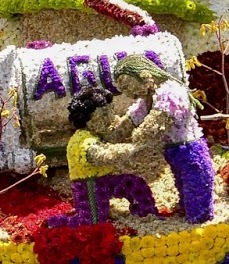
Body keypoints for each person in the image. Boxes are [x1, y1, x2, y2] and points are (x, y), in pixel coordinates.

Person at [113, 55, 216, 223]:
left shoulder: (171, 92)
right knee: (183, 187)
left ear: (145, 75)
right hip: (174, 153)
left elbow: (152, 126)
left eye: (128, 86)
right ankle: (187, 212)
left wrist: (127, 150)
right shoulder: (148, 100)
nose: (128, 94)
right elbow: (129, 121)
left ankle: (199, 222)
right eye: (123, 89)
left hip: (190, 152)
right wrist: (107, 132)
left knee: (196, 190)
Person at [52, 85, 158, 226]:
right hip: (89, 185)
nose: (111, 118)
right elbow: (103, 155)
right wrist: (132, 149)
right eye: (104, 115)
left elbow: (120, 130)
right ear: (88, 119)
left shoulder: (98, 132)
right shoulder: (82, 141)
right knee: (92, 221)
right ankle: (54, 222)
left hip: (107, 179)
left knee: (134, 184)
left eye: (111, 112)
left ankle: (146, 213)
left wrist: (144, 104)